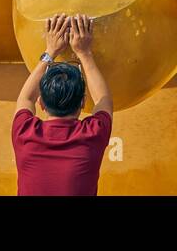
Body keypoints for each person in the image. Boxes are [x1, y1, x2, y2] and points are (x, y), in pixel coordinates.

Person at [11, 13, 113, 195]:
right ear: (83, 102)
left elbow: (25, 98)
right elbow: (102, 100)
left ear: (41, 102)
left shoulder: (24, 132)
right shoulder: (93, 134)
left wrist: (50, 52)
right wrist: (84, 53)